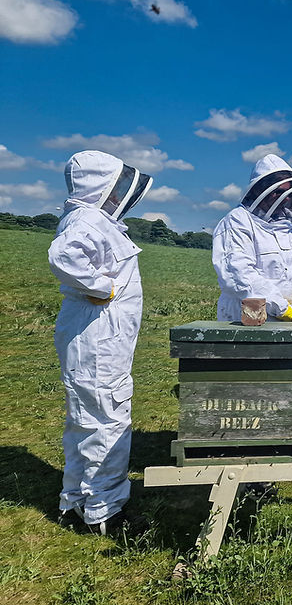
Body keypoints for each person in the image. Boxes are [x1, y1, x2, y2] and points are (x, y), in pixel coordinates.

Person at [49, 150, 153, 534]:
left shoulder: (93, 220)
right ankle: (104, 513)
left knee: (86, 419)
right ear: (99, 185)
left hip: (97, 336)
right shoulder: (88, 219)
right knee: (106, 419)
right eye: (115, 186)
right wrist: (100, 286)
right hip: (97, 339)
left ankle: (76, 499)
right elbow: (63, 256)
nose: (120, 195)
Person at [211, 154, 292, 459]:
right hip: (249, 318)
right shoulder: (236, 222)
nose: (280, 196)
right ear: (261, 189)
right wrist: (280, 305)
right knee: (255, 388)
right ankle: (254, 454)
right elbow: (238, 273)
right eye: (275, 189)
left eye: (285, 189)